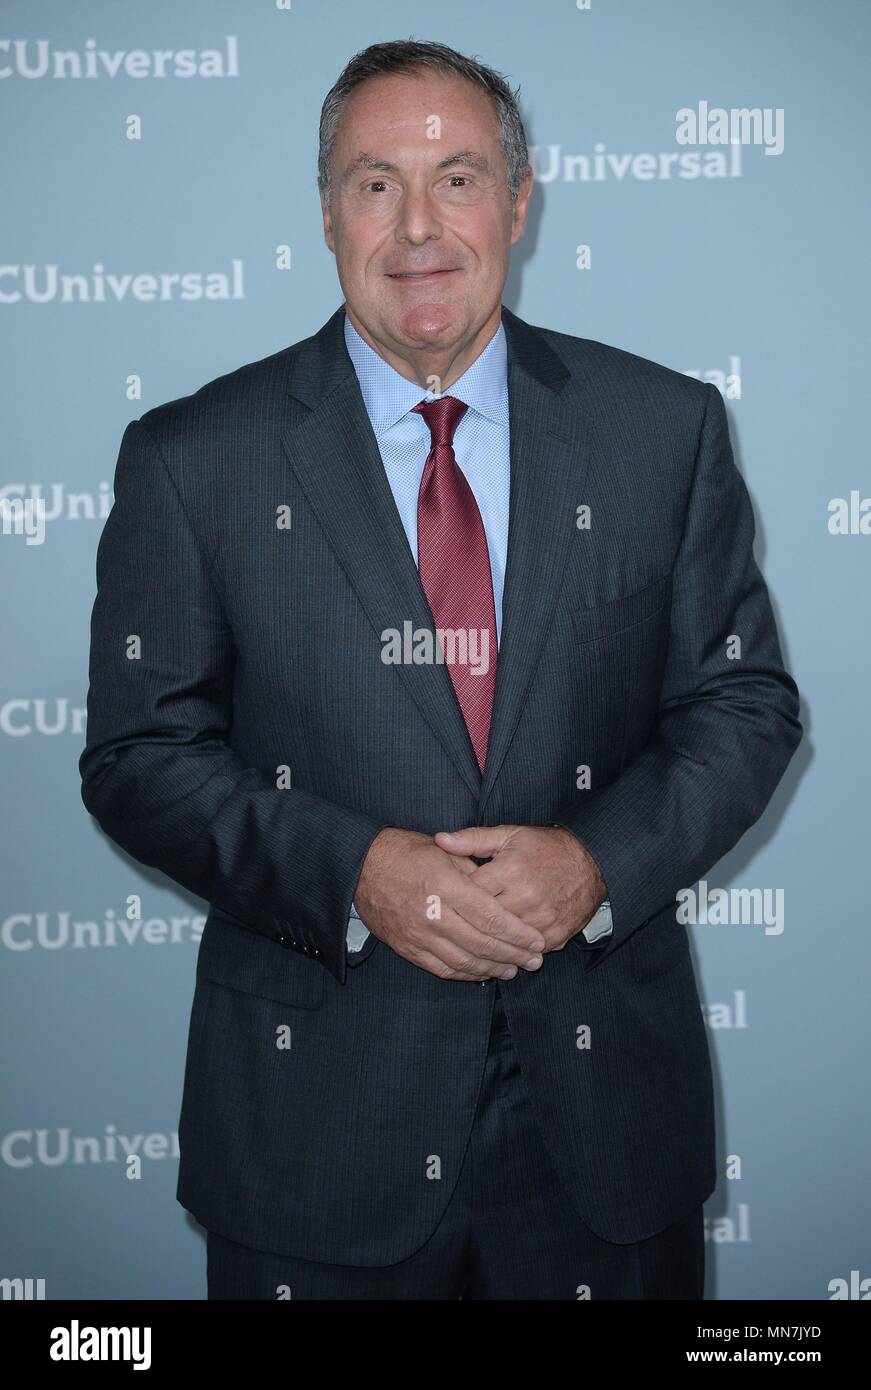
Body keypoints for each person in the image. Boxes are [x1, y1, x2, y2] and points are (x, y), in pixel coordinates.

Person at [79, 39, 802, 1299]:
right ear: (323, 212)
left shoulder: (661, 430)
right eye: (374, 184)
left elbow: (740, 704)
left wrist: (595, 864)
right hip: (315, 1133)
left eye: (456, 178)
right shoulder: (196, 458)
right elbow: (139, 754)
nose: (417, 226)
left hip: (605, 1135)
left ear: (519, 204)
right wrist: (357, 871)